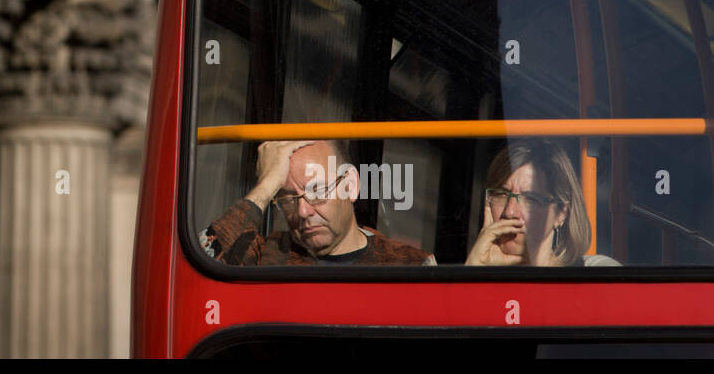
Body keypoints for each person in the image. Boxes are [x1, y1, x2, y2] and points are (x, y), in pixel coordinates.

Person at [200, 139, 436, 265]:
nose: (303, 211)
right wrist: (266, 185)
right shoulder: (264, 255)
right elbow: (201, 262)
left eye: (317, 191)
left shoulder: (408, 265)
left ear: (350, 185)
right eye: (288, 199)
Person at [465, 140, 620, 266]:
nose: (510, 212)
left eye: (531, 198)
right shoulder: (480, 270)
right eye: (501, 194)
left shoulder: (597, 272)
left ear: (561, 213)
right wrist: (474, 273)